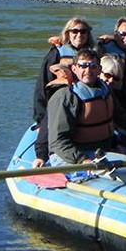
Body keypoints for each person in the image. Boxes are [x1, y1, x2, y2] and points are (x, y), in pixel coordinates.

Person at [47, 48, 126, 166]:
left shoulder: (104, 90)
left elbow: (123, 120)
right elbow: (58, 142)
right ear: (74, 69)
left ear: (99, 69)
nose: (88, 70)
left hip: (102, 150)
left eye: (92, 66)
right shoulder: (66, 97)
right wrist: (83, 160)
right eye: (83, 66)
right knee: (125, 162)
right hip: (72, 155)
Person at [30, 17, 95, 166]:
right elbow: (42, 85)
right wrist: (40, 118)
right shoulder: (56, 53)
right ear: (68, 33)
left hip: (84, 100)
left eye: (83, 31)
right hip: (60, 102)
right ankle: (41, 157)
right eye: (75, 31)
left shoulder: (93, 54)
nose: (79, 35)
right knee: (51, 121)